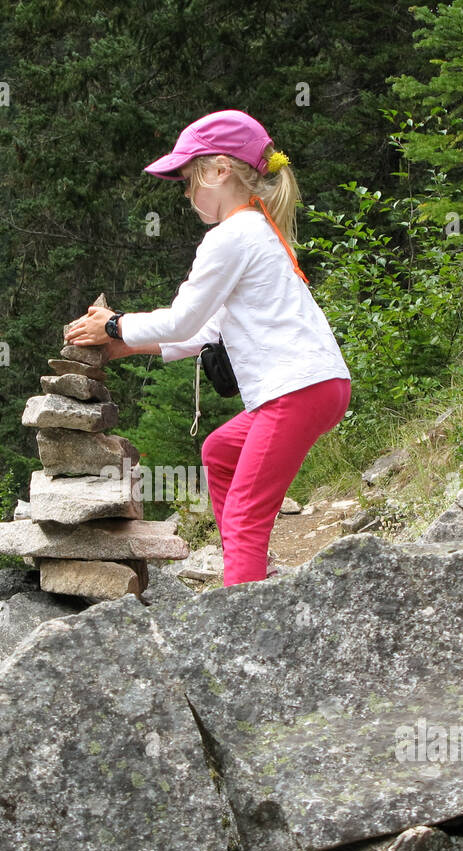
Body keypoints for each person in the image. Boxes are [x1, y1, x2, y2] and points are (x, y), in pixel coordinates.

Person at [63, 109, 351, 586]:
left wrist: (115, 325)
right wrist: (127, 347)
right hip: (319, 384)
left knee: (244, 515)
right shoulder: (260, 230)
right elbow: (201, 333)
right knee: (220, 451)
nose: (186, 192)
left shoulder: (230, 236)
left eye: (189, 178)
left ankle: (245, 611)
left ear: (219, 171)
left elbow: (183, 318)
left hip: (295, 389)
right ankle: (254, 571)